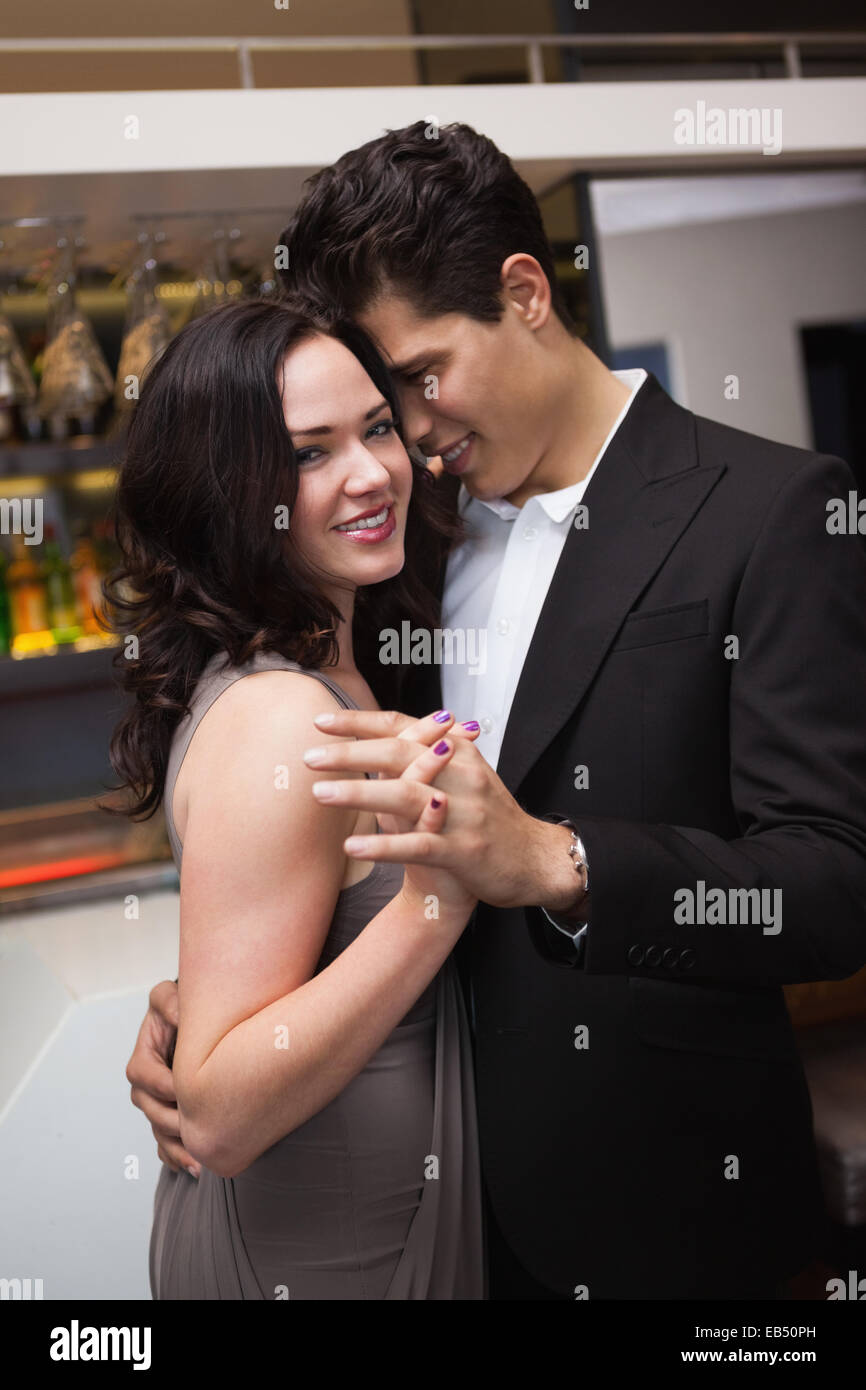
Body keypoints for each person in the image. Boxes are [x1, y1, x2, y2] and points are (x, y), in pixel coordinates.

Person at [128, 122, 866, 1300]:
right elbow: (322, 851)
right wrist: (205, 1020)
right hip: (440, 1216)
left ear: (523, 294)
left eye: (417, 379)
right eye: (384, 402)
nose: (407, 435)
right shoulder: (398, 543)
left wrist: (560, 863)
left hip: (665, 1213)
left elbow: (831, 885)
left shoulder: (767, 511)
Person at [111, 296, 485, 1299]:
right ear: (229, 493)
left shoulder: (338, 671)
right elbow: (220, 1114)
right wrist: (439, 900)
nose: (371, 473)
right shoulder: (283, 715)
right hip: (319, 1264)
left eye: (376, 429)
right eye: (309, 454)